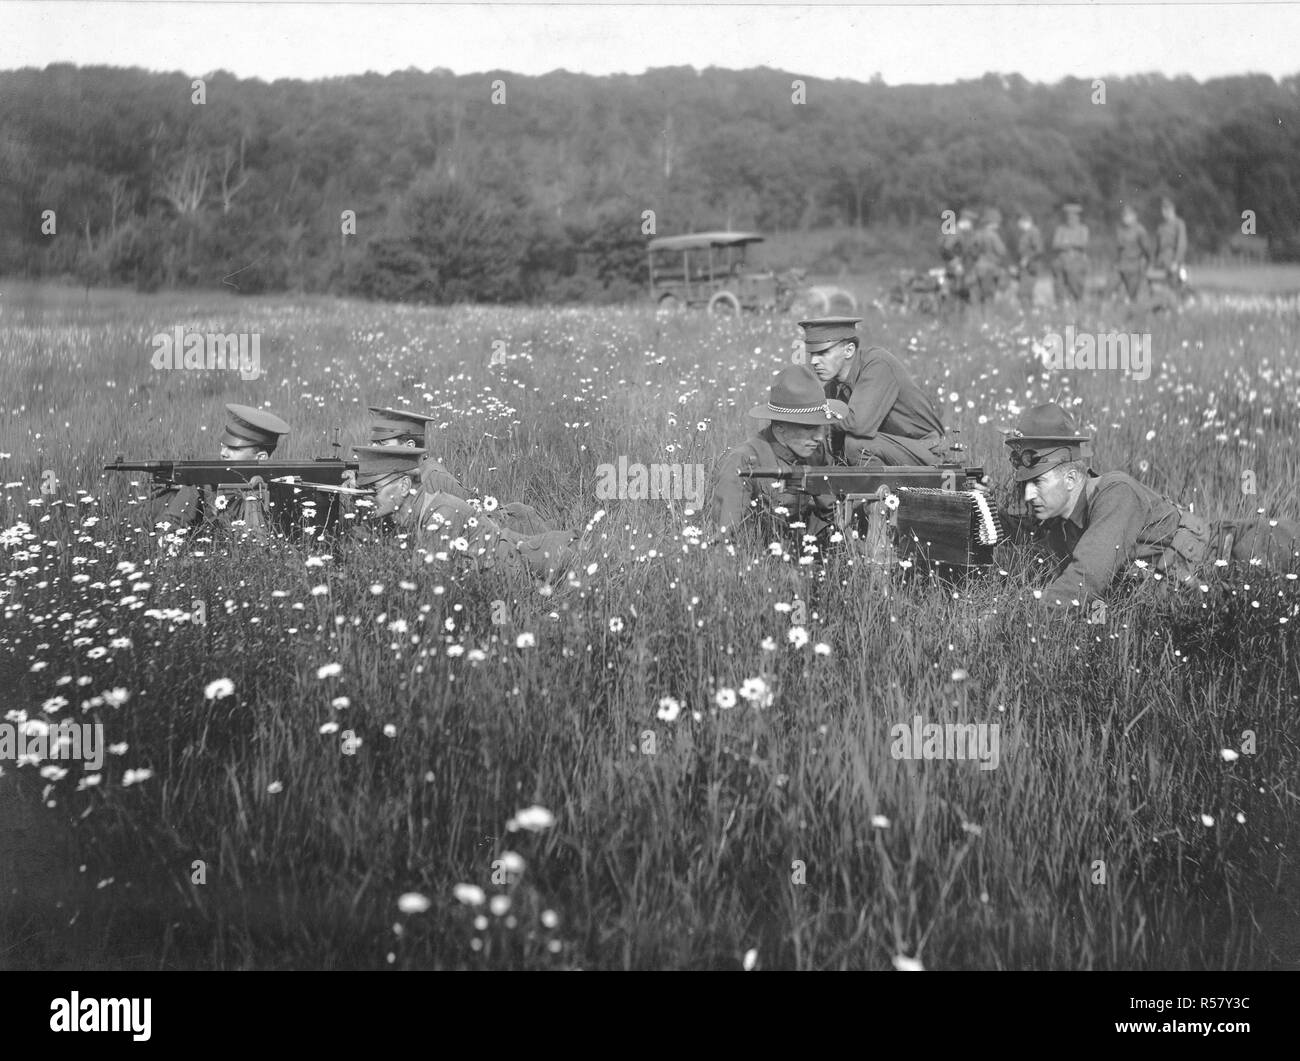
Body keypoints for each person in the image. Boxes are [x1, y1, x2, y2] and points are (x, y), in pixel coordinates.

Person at [1002, 403, 1300, 610]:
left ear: (1070, 478)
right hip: (1202, 587)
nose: (1028, 494)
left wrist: (1020, 620)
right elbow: (1021, 537)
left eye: (1037, 483)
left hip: (1247, 552)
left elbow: (1087, 578)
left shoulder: (1115, 493)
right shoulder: (1062, 523)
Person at [351, 445, 578, 579]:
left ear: (403, 486)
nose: (367, 495)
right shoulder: (417, 511)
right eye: (363, 489)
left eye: (373, 488)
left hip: (542, 564)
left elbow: (423, 579)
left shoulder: (441, 513)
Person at [365, 404, 557, 537]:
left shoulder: (432, 477)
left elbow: (478, 521)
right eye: (373, 443)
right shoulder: (405, 475)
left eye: (382, 443)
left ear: (409, 446)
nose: (374, 450)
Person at [708, 364, 848, 542]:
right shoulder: (743, 461)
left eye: (822, 427)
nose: (819, 437)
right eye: (809, 427)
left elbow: (832, 511)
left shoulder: (815, 452)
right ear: (780, 426)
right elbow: (726, 534)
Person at [803, 316, 948, 466]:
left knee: (856, 445)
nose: (813, 361)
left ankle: (883, 490)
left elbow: (859, 425)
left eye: (822, 353)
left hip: (927, 451)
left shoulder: (878, 364)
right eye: (812, 354)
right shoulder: (833, 387)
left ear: (849, 350)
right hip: (889, 448)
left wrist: (814, 413)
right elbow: (831, 436)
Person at [155, 403, 291, 540]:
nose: (223, 453)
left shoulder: (282, 485)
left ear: (261, 457)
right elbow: (174, 522)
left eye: (234, 448)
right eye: (223, 446)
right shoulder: (207, 473)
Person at [1051, 202, 1090, 303]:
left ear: (1078, 217)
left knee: (1075, 282)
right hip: (1062, 260)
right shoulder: (1061, 229)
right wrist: (1070, 245)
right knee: (1058, 283)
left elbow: (1083, 244)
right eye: (1068, 216)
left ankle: (1078, 300)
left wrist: (1067, 244)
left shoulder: (1083, 229)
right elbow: (1055, 244)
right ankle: (1060, 303)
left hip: (1077, 260)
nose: (1071, 219)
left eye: (1073, 216)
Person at [1114, 204, 1152, 301]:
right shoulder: (1120, 230)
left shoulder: (1140, 230)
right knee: (1109, 289)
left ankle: (1133, 312)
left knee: (1132, 294)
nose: (1125, 218)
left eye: (1128, 215)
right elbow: (1119, 249)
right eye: (1124, 215)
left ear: (1134, 216)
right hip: (1121, 265)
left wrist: (1148, 264)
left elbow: (1147, 249)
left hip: (1133, 267)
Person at [939, 207, 977, 303]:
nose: (972, 225)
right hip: (954, 263)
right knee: (958, 287)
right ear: (966, 221)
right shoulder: (956, 231)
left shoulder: (959, 231)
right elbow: (946, 249)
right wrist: (956, 263)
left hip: (956, 262)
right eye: (971, 222)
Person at [971, 208, 1008, 304]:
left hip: (978, 267)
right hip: (990, 268)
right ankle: (988, 317)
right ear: (992, 223)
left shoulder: (977, 234)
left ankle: (980, 316)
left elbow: (972, 250)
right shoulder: (993, 235)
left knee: (980, 293)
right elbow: (1002, 251)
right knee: (989, 294)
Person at [1014, 209, 1047, 307]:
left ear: (1025, 221)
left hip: (1031, 267)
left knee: (1024, 292)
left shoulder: (1033, 232)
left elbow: (1039, 250)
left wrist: (1027, 259)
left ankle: (1028, 315)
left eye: (1019, 221)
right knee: (1024, 293)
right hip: (1025, 267)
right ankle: (1028, 315)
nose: (1018, 224)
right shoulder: (1027, 233)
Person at [1153, 196, 1188, 282]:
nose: (1163, 212)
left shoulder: (1179, 224)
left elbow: (1181, 244)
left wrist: (1176, 261)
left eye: (1166, 209)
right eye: (1163, 209)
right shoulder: (1161, 227)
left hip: (1173, 261)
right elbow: (1156, 247)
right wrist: (1153, 261)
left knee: (1179, 283)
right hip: (1161, 262)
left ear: (1172, 209)